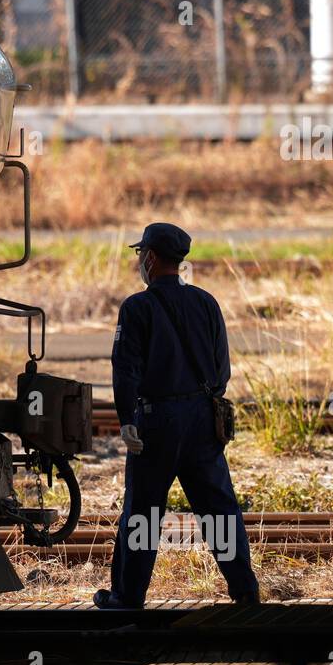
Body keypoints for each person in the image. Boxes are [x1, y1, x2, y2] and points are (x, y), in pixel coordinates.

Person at [95, 222, 260, 609]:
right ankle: (245, 591)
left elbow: (125, 370)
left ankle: (127, 597)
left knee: (143, 512)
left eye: (140, 255)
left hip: (157, 422)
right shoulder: (206, 302)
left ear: (150, 258)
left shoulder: (137, 307)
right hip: (204, 418)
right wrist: (205, 404)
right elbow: (222, 370)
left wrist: (127, 420)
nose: (140, 261)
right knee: (219, 508)